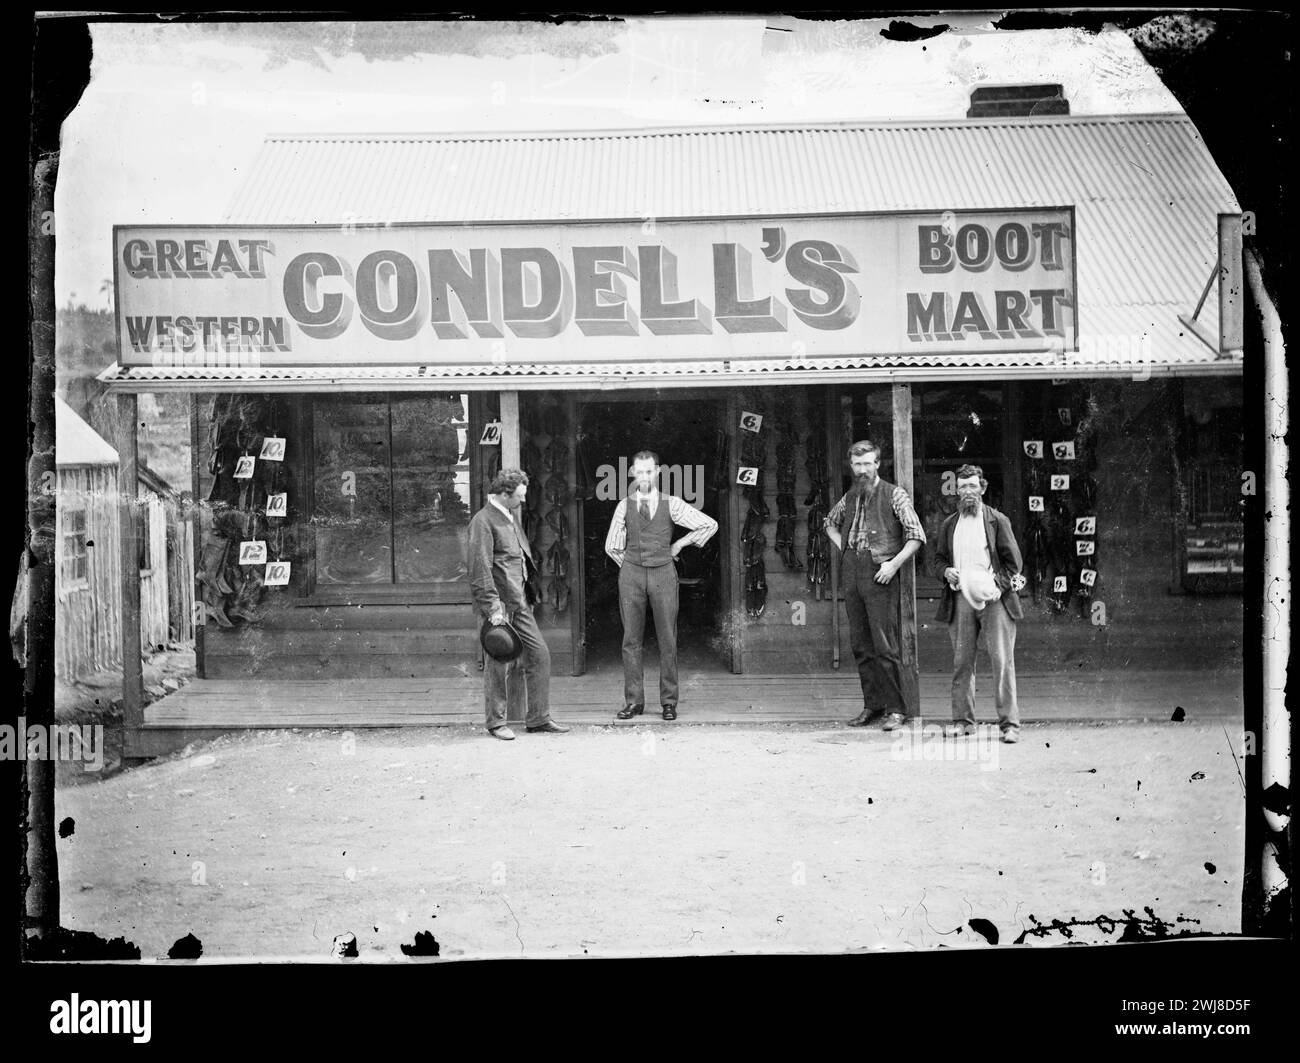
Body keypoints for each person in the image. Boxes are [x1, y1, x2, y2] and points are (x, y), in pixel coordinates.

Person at [605, 451, 719, 720]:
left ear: (657, 472)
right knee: (631, 640)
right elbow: (611, 545)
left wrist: (678, 544)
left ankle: (669, 702)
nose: (643, 477)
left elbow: (708, 525)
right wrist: (630, 565)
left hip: (663, 575)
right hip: (631, 575)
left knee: (668, 638)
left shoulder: (673, 504)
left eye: (649, 471)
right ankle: (634, 702)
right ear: (632, 473)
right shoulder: (624, 505)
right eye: (639, 472)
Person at [824, 440, 925, 731]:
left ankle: (896, 709)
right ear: (851, 466)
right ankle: (873, 705)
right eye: (857, 464)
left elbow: (915, 535)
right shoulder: (851, 495)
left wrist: (893, 564)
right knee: (860, 645)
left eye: (868, 463)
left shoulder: (895, 494)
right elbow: (829, 522)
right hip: (852, 572)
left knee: (884, 645)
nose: (862, 469)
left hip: (881, 573)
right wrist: (844, 547)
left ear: (878, 464)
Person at [467, 468, 568, 740]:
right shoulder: (483, 521)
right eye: (519, 496)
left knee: (539, 655)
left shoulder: (508, 515)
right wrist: (493, 610)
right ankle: (496, 723)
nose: (523, 501)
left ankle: (538, 718)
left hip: (518, 601)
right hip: (498, 605)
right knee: (499, 661)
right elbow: (480, 568)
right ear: (503, 493)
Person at [934, 463, 1026, 744]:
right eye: (963, 487)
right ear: (957, 491)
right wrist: (945, 571)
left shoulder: (998, 520)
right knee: (962, 662)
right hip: (961, 599)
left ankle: (1009, 725)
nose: (968, 491)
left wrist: (997, 586)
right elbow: (937, 561)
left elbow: (1014, 564)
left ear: (982, 488)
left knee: (1002, 661)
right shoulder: (950, 524)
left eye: (973, 485)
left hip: (994, 601)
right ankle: (963, 722)